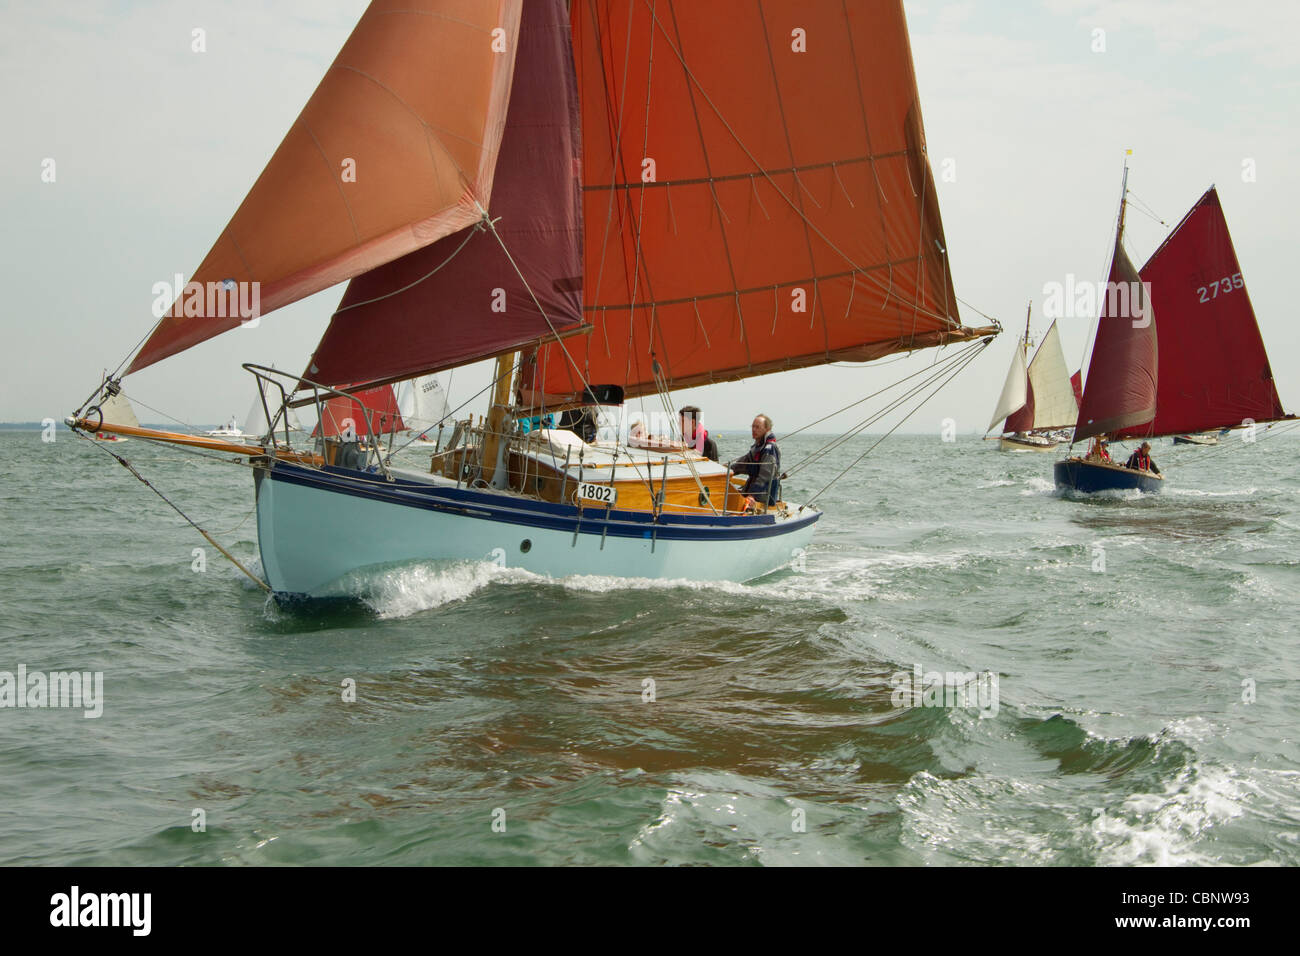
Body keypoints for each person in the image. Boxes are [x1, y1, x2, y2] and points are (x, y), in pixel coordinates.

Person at [732, 414, 781, 507]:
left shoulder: (770, 449)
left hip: (763, 496)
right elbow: (742, 464)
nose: (754, 429)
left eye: (757, 427)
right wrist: (724, 470)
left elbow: (765, 476)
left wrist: (752, 495)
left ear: (767, 429)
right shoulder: (757, 448)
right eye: (753, 426)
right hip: (752, 491)